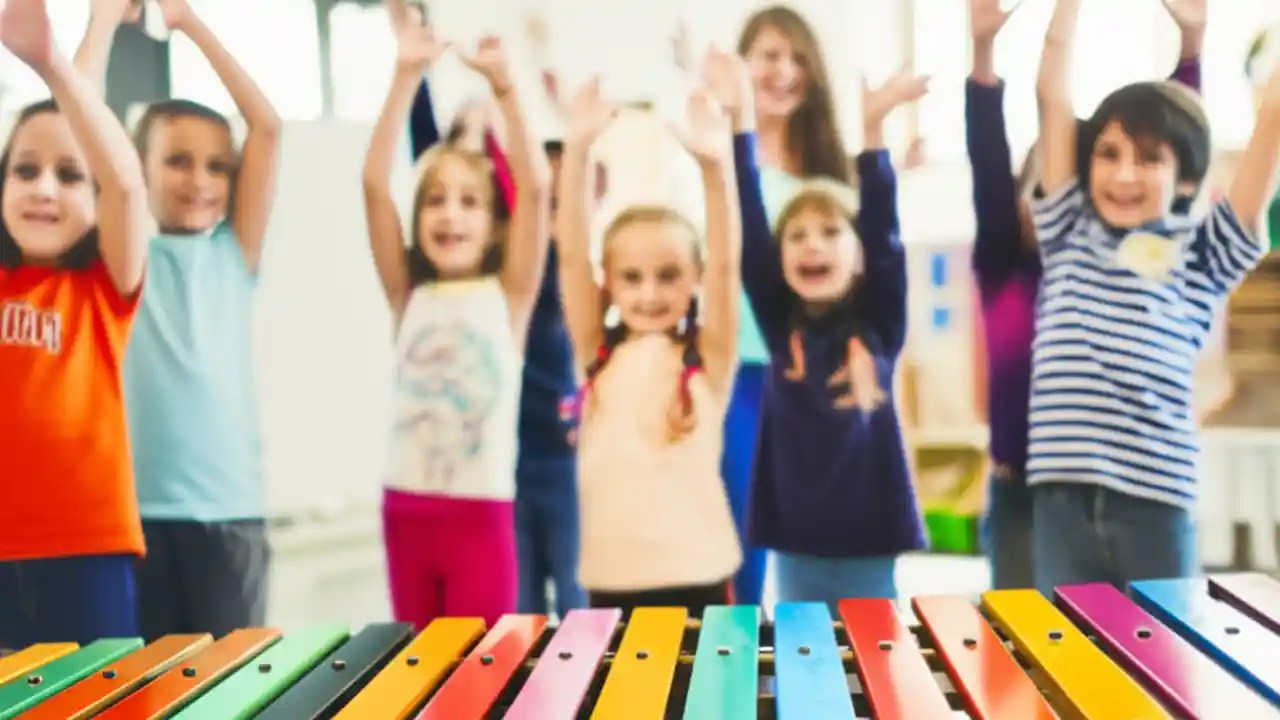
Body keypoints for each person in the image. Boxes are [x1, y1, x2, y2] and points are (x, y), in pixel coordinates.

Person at [1027, 0, 1277, 596]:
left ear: (1185, 178)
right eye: (1108, 154)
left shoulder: (1202, 248)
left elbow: (1271, 120)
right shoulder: (1068, 229)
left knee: (1164, 668)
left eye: (1149, 159)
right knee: (1064, 668)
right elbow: (1051, 91)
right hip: (1060, 499)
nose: (1125, 175)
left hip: (1156, 502)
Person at [965, 0, 1206, 589]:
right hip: (1022, 482)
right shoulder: (1005, 262)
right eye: (1028, 188)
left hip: (1110, 481)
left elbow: (1164, 142)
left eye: (1049, 182)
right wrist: (982, 54)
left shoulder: (1106, 253)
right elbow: (989, 156)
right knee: (1026, 648)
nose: (1037, 197)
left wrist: (1192, 48)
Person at [710, 46, 928, 607]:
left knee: (871, 673)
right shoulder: (781, 322)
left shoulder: (880, 321)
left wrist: (874, 129)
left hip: (869, 546)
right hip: (799, 548)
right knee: (803, 669)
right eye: (798, 235)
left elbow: (883, 238)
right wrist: (739, 124)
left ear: (856, 257)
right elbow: (751, 226)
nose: (812, 244)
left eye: (830, 232)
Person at [94, 0, 282, 640]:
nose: (199, 180)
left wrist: (189, 23)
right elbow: (87, 133)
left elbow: (267, 127)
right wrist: (100, 23)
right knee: (149, 692)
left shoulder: (235, 252)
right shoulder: (127, 254)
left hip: (232, 516)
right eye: (177, 160)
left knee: (233, 691)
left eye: (216, 166)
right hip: (137, 521)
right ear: (139, 170)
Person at [391, 0, 584, 617]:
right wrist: (412, 65)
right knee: (513, 615)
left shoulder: (523, 267)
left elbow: (533, 185)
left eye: (486, 142)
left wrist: (515, 81)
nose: (472, 147)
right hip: (488, 472)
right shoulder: (443, 263)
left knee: (573, 607)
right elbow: (428, 159)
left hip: (549, 450)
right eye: (460, 135)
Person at [363, 11, 551, 628]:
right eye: (436, 200)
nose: (450, 215)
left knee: (483, 676)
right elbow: (373, 185)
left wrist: (505, 90)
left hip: (481, 517)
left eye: (469, 202)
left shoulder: (510, 293)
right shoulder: (406, 291)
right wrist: (403, 76)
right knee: (415, 672)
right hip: (406, 513)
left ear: (496, 221)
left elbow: (538, 190)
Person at [557, 74, 742, 618]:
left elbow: (728, 264)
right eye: (632, 277)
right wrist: (576, 152)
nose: (650, 293)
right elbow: (569, 255)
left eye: (668, 275)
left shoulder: (708, 359)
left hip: (700, 579)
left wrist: (714, 167)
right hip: (612, 585)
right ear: (608, 282)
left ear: (693, 280)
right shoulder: (597, 353)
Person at [0, 0, 151, 647]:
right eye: (25, 170)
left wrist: (56, 64)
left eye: (69, 177)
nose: (44, 189)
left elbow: (123, 182)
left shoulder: (104, 289)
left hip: (89, 545)